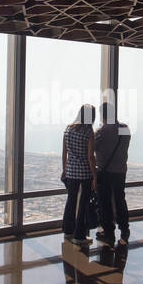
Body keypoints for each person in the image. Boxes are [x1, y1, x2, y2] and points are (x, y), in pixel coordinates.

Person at [92, 100, 130, 247]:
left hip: (105, 171)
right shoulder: (125, 128)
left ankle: (109, 233)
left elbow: (93, 147)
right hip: (120, 171)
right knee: (120, 200)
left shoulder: (102, 131)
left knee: (105, 203)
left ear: (102, 114)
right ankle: (125, 230)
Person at [60, 103, 96, 244]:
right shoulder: (89, 132)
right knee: (83, 203)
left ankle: (68, 230)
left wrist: (64, 169)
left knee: (71, 200)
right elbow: (90, 157)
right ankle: (79, 235)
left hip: (71, 172)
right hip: (85, 173)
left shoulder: (68, 129)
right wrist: (95, 176)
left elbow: (64, 153)